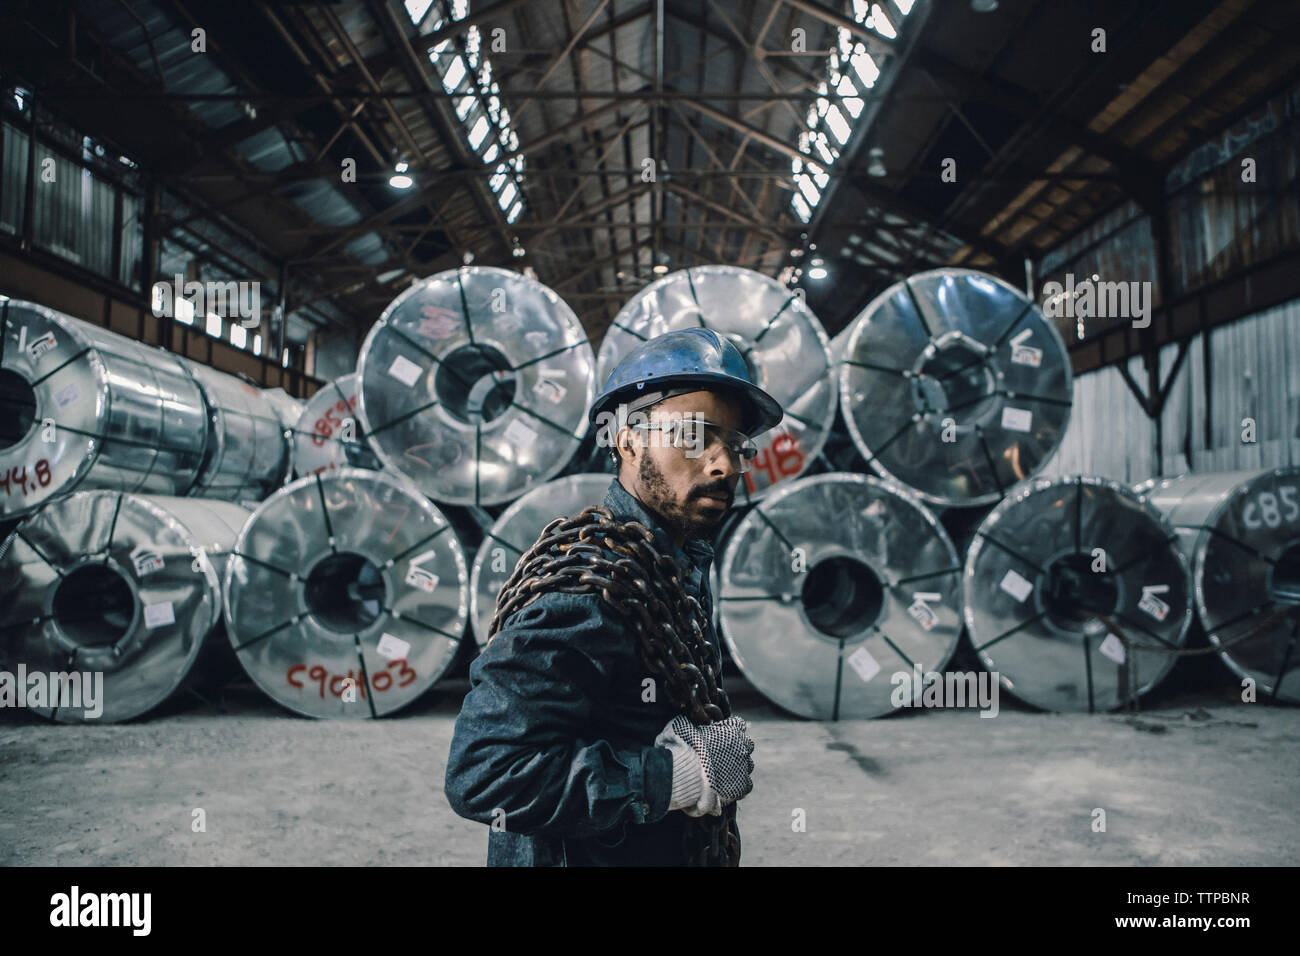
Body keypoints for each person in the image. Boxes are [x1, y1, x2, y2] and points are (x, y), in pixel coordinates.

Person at [444, 327, 785, 865]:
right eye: (694, 437)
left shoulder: (673, 566)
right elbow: (484, 773)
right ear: (627, 441)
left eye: (736, 445)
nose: (724, 465)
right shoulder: (588, 593)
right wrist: (671, 778)